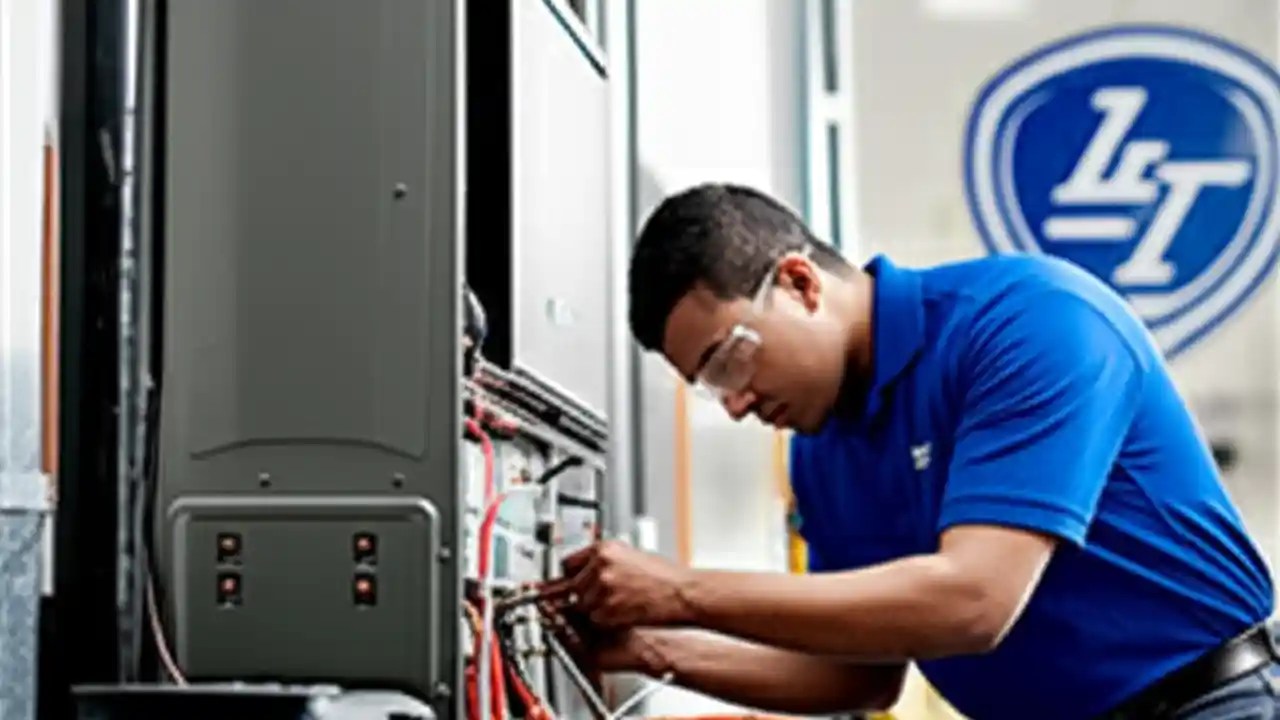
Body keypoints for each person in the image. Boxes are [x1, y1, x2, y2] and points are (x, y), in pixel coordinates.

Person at [540, 183, 1279, 719]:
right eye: (709, 388)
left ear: (799, 283)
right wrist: (653, 651)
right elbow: (858, 677)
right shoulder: (822, 451)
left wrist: (680, 592)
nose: (734, 405)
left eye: (729, 363)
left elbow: (975, 601)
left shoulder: (1032, 323)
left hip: (1211, 704)